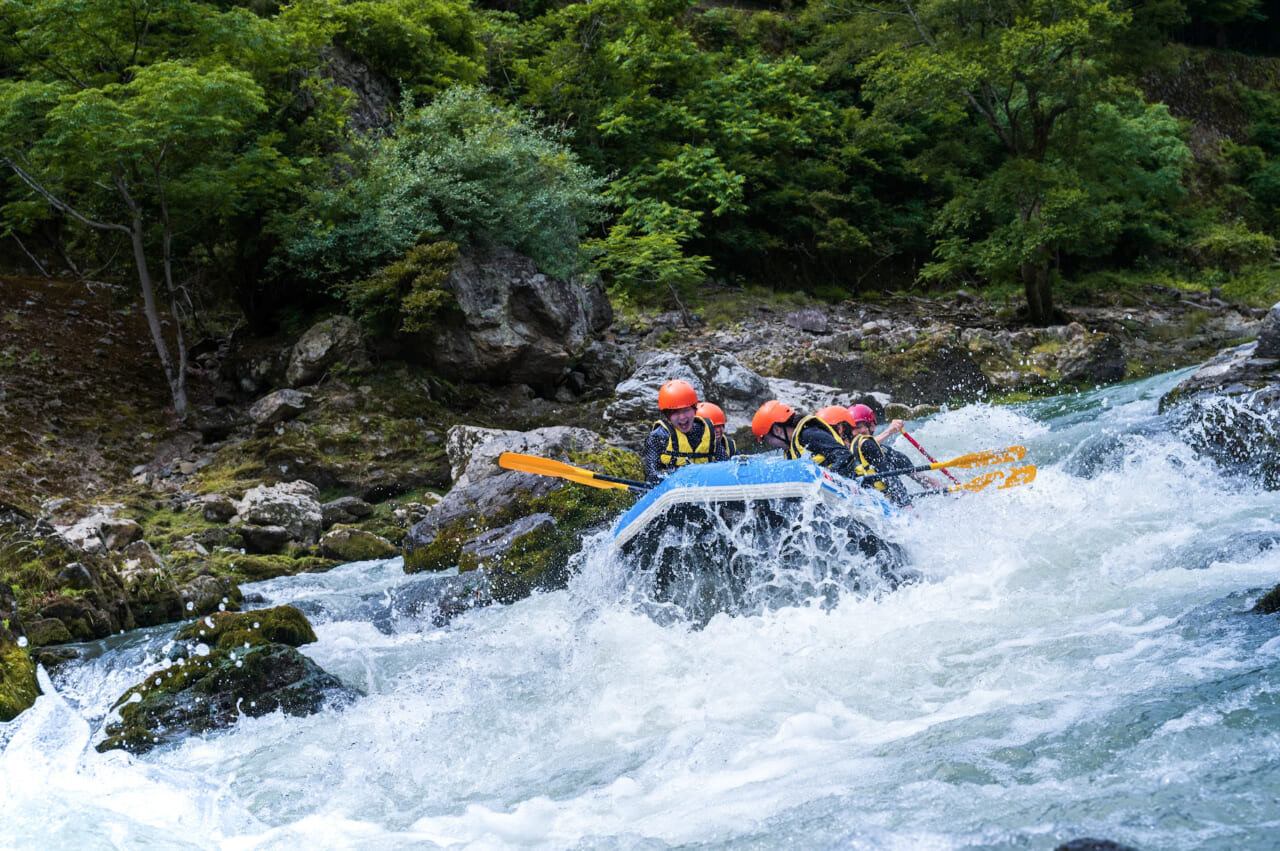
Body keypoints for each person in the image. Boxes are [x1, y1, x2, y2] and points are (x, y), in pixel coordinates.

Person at [751, 400, 912, 505]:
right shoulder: (791, 449)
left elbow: (844, 455)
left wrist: (826, 476)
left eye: (767, 439)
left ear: (778, 430)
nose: (769, 444)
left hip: (864, 493)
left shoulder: (808, 434)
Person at [641, 379, 728, 484]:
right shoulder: (657, 437)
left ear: (695, 410)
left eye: (686, 410)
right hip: (673, 495)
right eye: (675, 412)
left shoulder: (706, 433)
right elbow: (652, 476)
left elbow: (726, 467)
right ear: (667, 415)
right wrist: (683, 473)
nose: (682, 417)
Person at [847, 404, 942, 491]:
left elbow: (867, 444)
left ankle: (946, 490)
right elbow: (860, 446)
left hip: (888, 480)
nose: (854, 433)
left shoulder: (888, 453)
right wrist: (889, 431)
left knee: (921, 478)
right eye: (851, 429)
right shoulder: (844, 448)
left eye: (858, 427)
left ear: (871, 426)